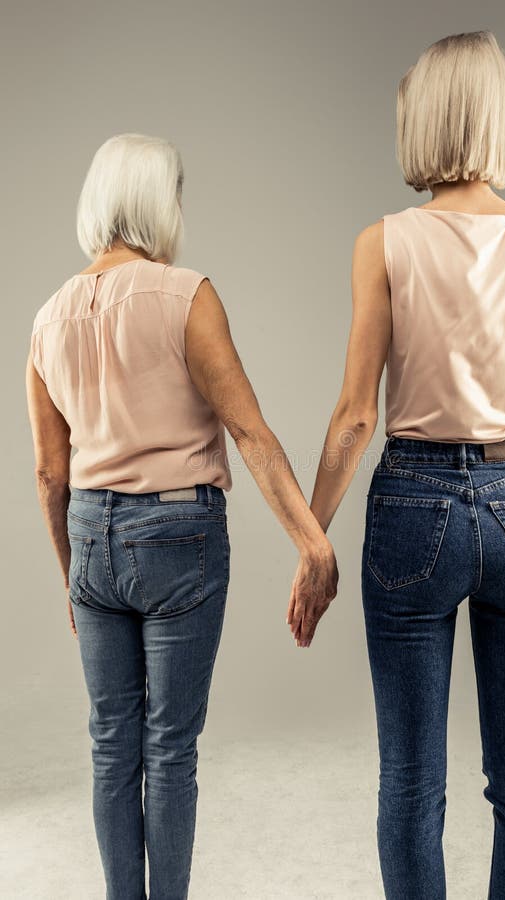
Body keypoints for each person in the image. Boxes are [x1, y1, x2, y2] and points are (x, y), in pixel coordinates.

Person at [287, 30, 505, 900]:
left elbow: (353, 417)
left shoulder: (384, 243)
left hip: (413, 501)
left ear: (423, 117)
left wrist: (312, 537)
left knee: (412, 786)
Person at [25, 132, 338, 900]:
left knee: (110, 748)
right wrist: (313, 543)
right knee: (169, 750)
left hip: (93, 537)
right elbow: (251, 433)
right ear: (158, 202)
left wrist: (71, 576)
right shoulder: (185, 294)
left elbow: (48, 472)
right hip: (177, 537)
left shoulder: (47, 318)